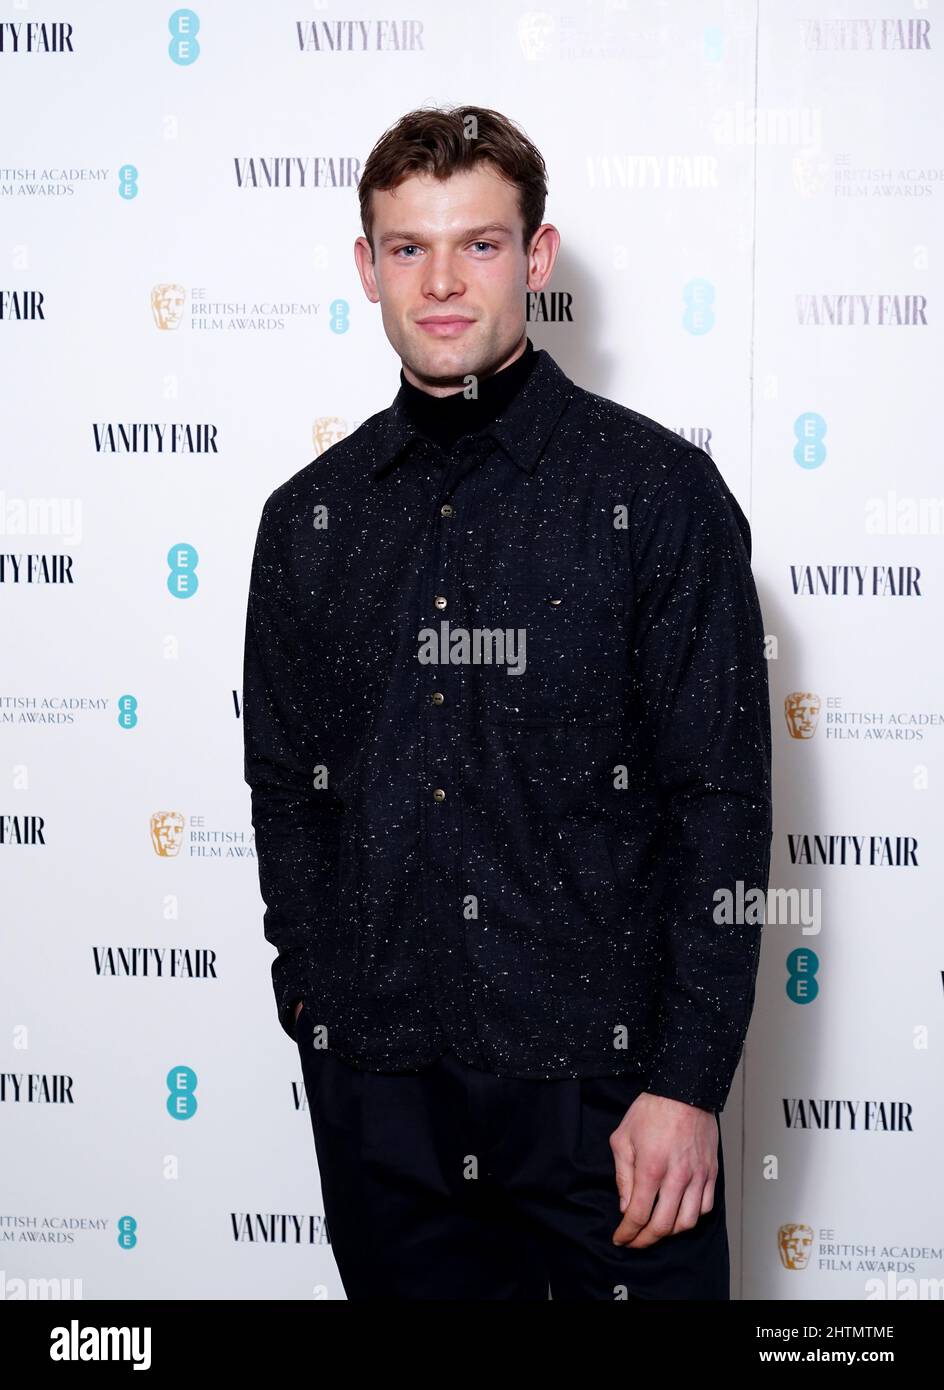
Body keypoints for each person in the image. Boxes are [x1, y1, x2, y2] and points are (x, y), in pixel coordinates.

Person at [242, 104, 773, 1301]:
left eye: (477, 244)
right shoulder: (307, 521)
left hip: (610, 1107)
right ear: (365, 265)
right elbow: (284, 788)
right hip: (384, 1104)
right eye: (408, 247)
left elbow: (720, 802)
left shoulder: (656, 493)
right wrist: (316, 1008)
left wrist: (687, 1082)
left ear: (534, 259)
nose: (440, 281)